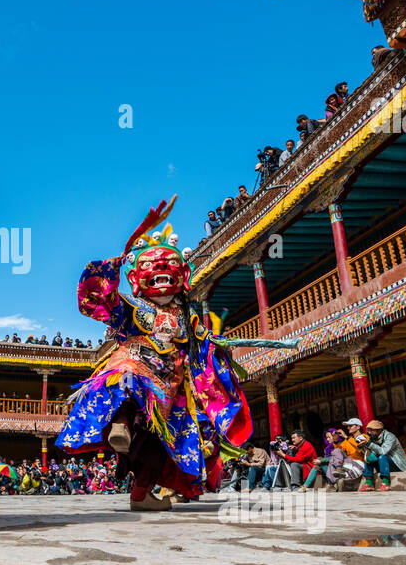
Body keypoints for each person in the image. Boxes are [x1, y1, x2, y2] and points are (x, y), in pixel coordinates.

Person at [56, 198, 257, 510]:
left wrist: (213, 346)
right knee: (126, 380)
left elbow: (197, 343)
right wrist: (117, 263)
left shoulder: (186, 314)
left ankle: (143, 491)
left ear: (184, 275)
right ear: (137, 278)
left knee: (162, 442)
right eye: (151, 265)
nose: (161, 269)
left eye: (169, 264)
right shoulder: (134, 308)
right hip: (135, 364)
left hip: (173, 385)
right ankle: (121, 420)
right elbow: (97, 299)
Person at [358, 419, 406, 491]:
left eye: (371, 430)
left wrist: (369, 444)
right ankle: (369, 483)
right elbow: (371, 454)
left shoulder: (390, 437)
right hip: (383, 465)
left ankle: (386, 483)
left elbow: (383, 451)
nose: (369, 432)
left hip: (398, 464)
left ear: (379, 430)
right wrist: (362, 447)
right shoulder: (373, 438)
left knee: (382, 457)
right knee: (368, 459)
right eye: (368, 430)